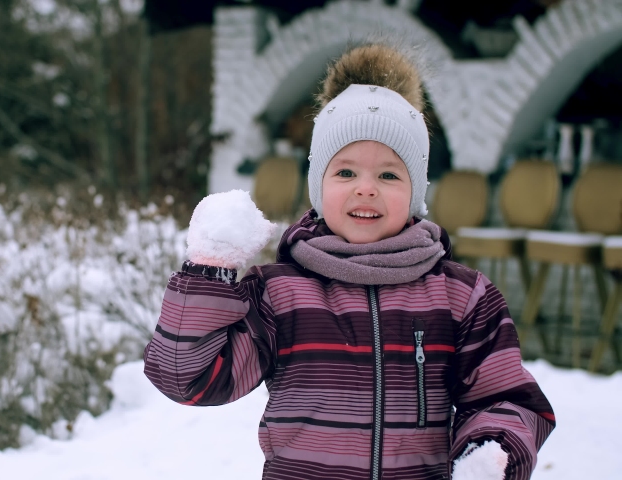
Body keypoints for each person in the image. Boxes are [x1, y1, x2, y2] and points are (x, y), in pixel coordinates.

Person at [143, 43, 554, 480]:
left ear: (416, 193)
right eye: (345, 172)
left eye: (389, 174)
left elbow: (505, 397)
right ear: (318, 185)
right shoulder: (280, 294)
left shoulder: (461, 296)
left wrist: (490, 455)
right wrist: (210, 270)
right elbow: (190, 380)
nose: (366, 188)